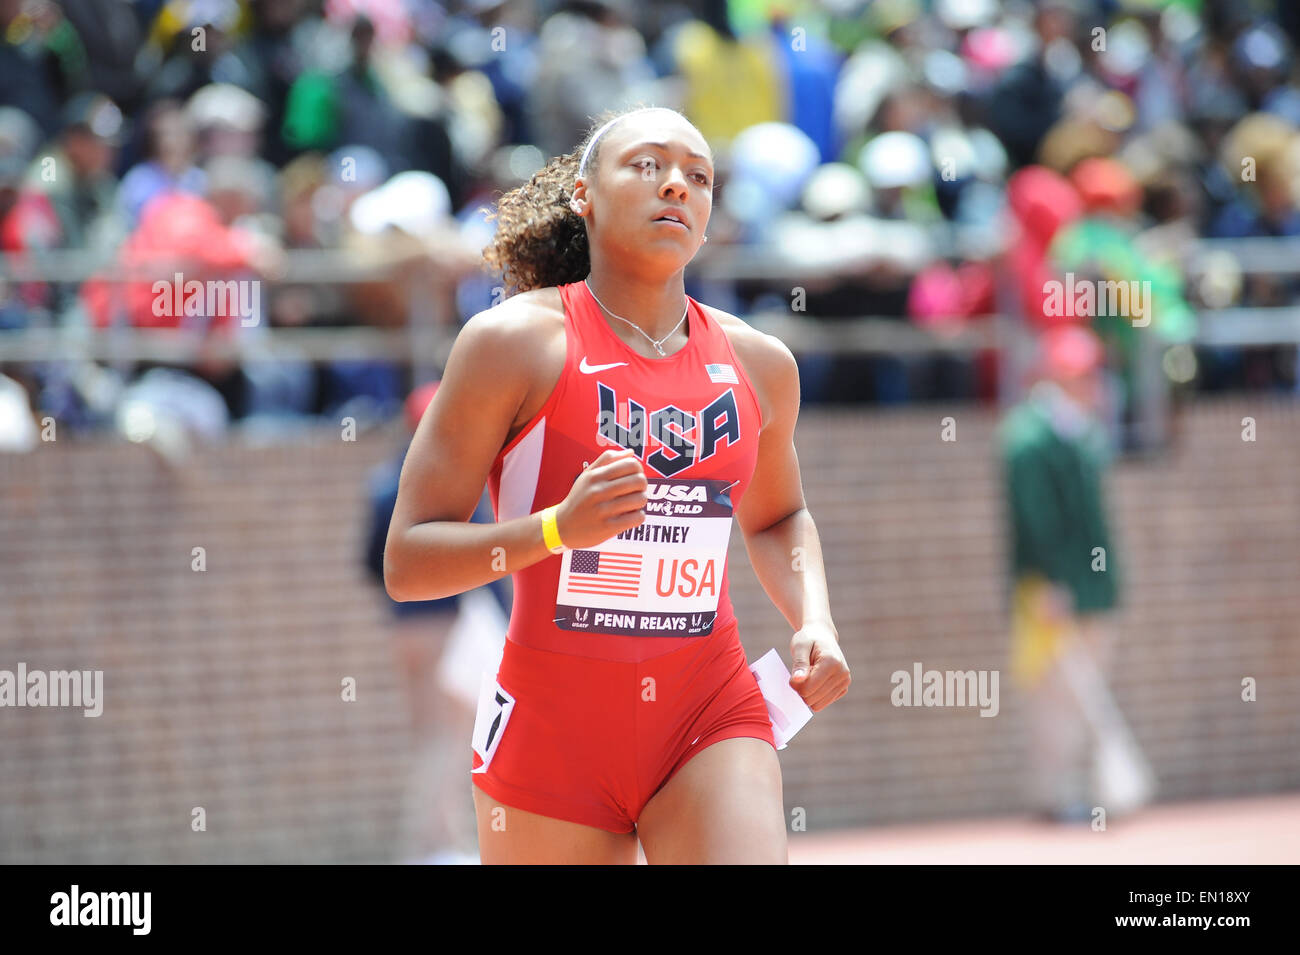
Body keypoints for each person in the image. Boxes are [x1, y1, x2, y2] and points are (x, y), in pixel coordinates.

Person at [384, 105, 849, 864]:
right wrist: (558, 528)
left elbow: (779, 515)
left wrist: (815, 618)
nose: (677, 186)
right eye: (647, 164)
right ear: (583, 194)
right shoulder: (513, 343)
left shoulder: (760, 363)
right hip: (553, 733)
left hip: (709, 712)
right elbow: (408, 560)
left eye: (699, 177)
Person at [999, 324, 1145, 822]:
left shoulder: (1082, 432)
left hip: (1092, 590)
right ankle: (1053, 798)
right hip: (1051, 592)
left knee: (1086, 696)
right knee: (1057, 701)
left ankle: (1091, 794)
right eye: (1082, 374)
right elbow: (1037, 521)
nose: (1091, 383)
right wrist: (1049, 582)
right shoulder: (1028, 439)